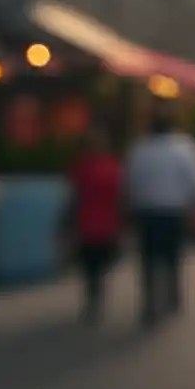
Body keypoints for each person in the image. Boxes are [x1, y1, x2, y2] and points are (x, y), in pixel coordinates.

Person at [125, 104, 195, 326]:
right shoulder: (184, 148)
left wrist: (131, 205)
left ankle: (150, 301)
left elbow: (130, 181)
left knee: (148, 258)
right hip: (173, 211)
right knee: (172, 256)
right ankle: (172, 296)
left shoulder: (139, 149)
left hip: (147, 212)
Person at [68, 128, 123, 323]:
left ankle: (93, 297)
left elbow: (74, 195)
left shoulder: (81, 168)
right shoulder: (113, 167)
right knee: (101, 262)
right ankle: (97, 294)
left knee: (90, 265)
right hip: (107, 224)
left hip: (87, 224)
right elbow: (120, 196)